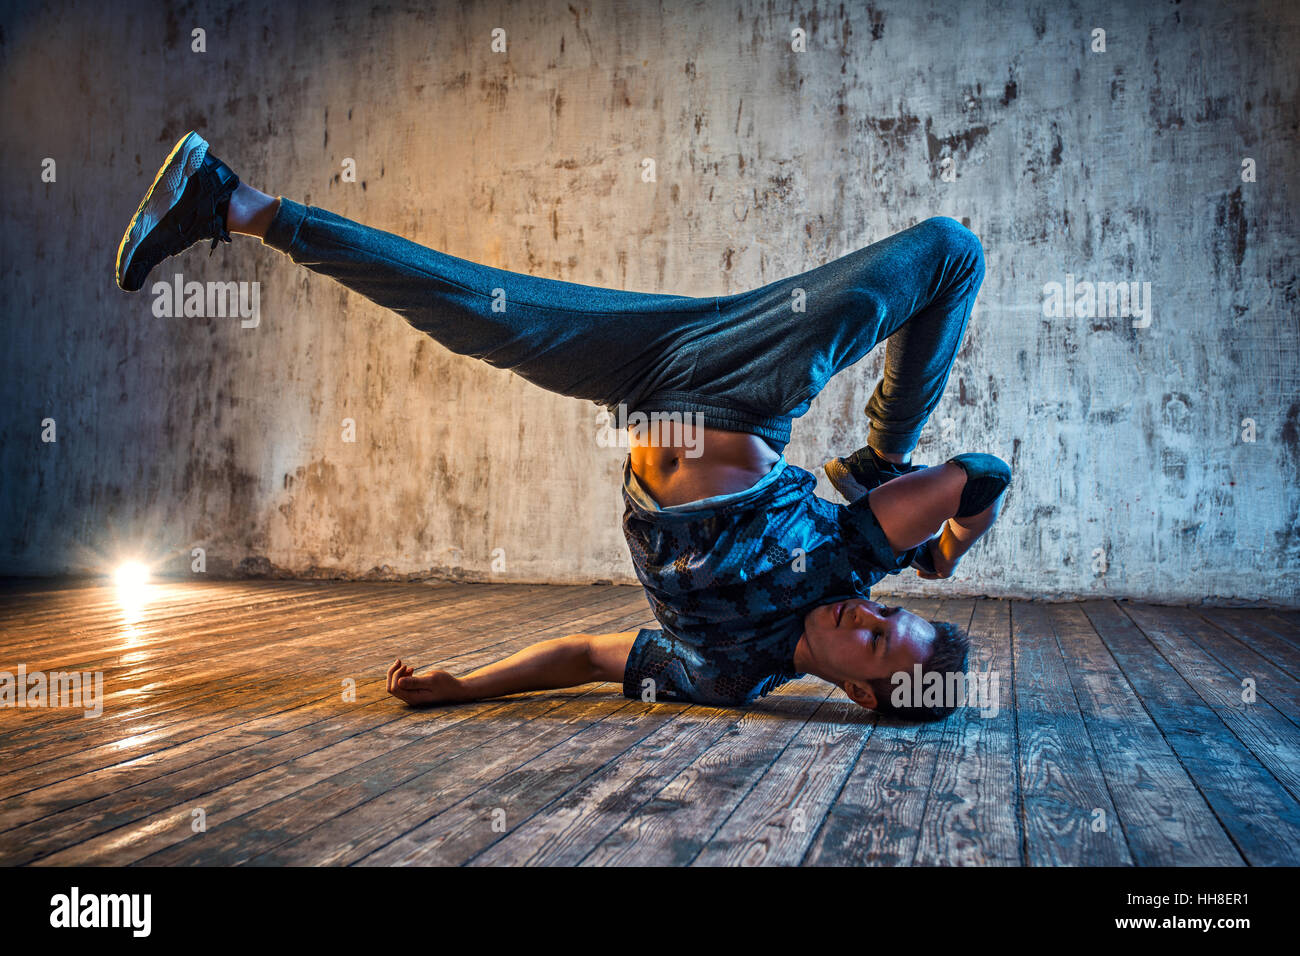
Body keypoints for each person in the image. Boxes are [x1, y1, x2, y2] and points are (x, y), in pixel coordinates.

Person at [117, 131, 1011, 721]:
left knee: (473, 310)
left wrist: (467, 685)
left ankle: (231, 202)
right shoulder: (856, 556)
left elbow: (588, 653)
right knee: (949, 252)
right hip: (746, 384)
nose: (868, 612)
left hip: (647, 377)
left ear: (858, 690)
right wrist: (937, 546)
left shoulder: (723, 676)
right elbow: (979, 474)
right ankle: (881, 444)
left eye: (875, 640)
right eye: (891, 613)